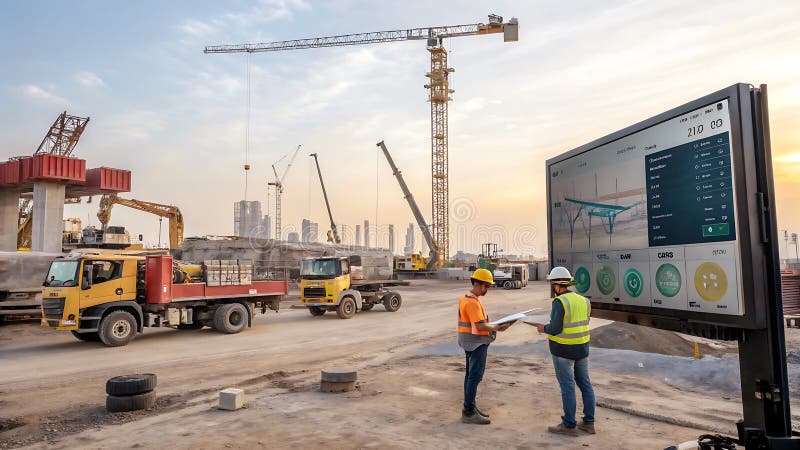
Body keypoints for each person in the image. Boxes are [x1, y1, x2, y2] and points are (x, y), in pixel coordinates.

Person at [526, 266, 596, 436]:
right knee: (585, 385)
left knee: (567, 386)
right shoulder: (584, 300)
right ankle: (588, 423)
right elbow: (582, 321)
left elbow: (555, 328)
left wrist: (543, 328)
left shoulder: (559, 302)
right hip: (582, 348)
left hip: (563, 351)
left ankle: (569, 425)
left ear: (556, 285)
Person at [458, 268, 514, 425]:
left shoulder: (466, 298)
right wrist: (498, 327)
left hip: (470, 342)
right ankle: (468, 412)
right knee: (474, 377)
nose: (487, 289)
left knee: (470, 376)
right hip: (476, 343)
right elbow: (481, 326)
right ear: (478, 284)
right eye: (486, 286)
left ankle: (470, 407)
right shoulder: (472, 302)